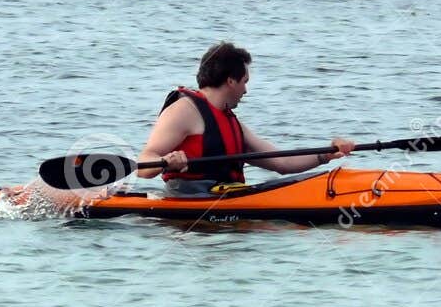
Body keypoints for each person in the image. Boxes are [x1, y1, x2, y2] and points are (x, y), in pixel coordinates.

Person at [138, 42, 355, 194]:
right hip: (189, 203)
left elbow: (282, 162)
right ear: (231, 81)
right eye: (245, 81)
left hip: (227, 198)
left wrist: (326, 154)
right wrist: (166, 162)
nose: (246, 90)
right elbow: (143, 165)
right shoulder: (183, 111)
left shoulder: (232, 124)